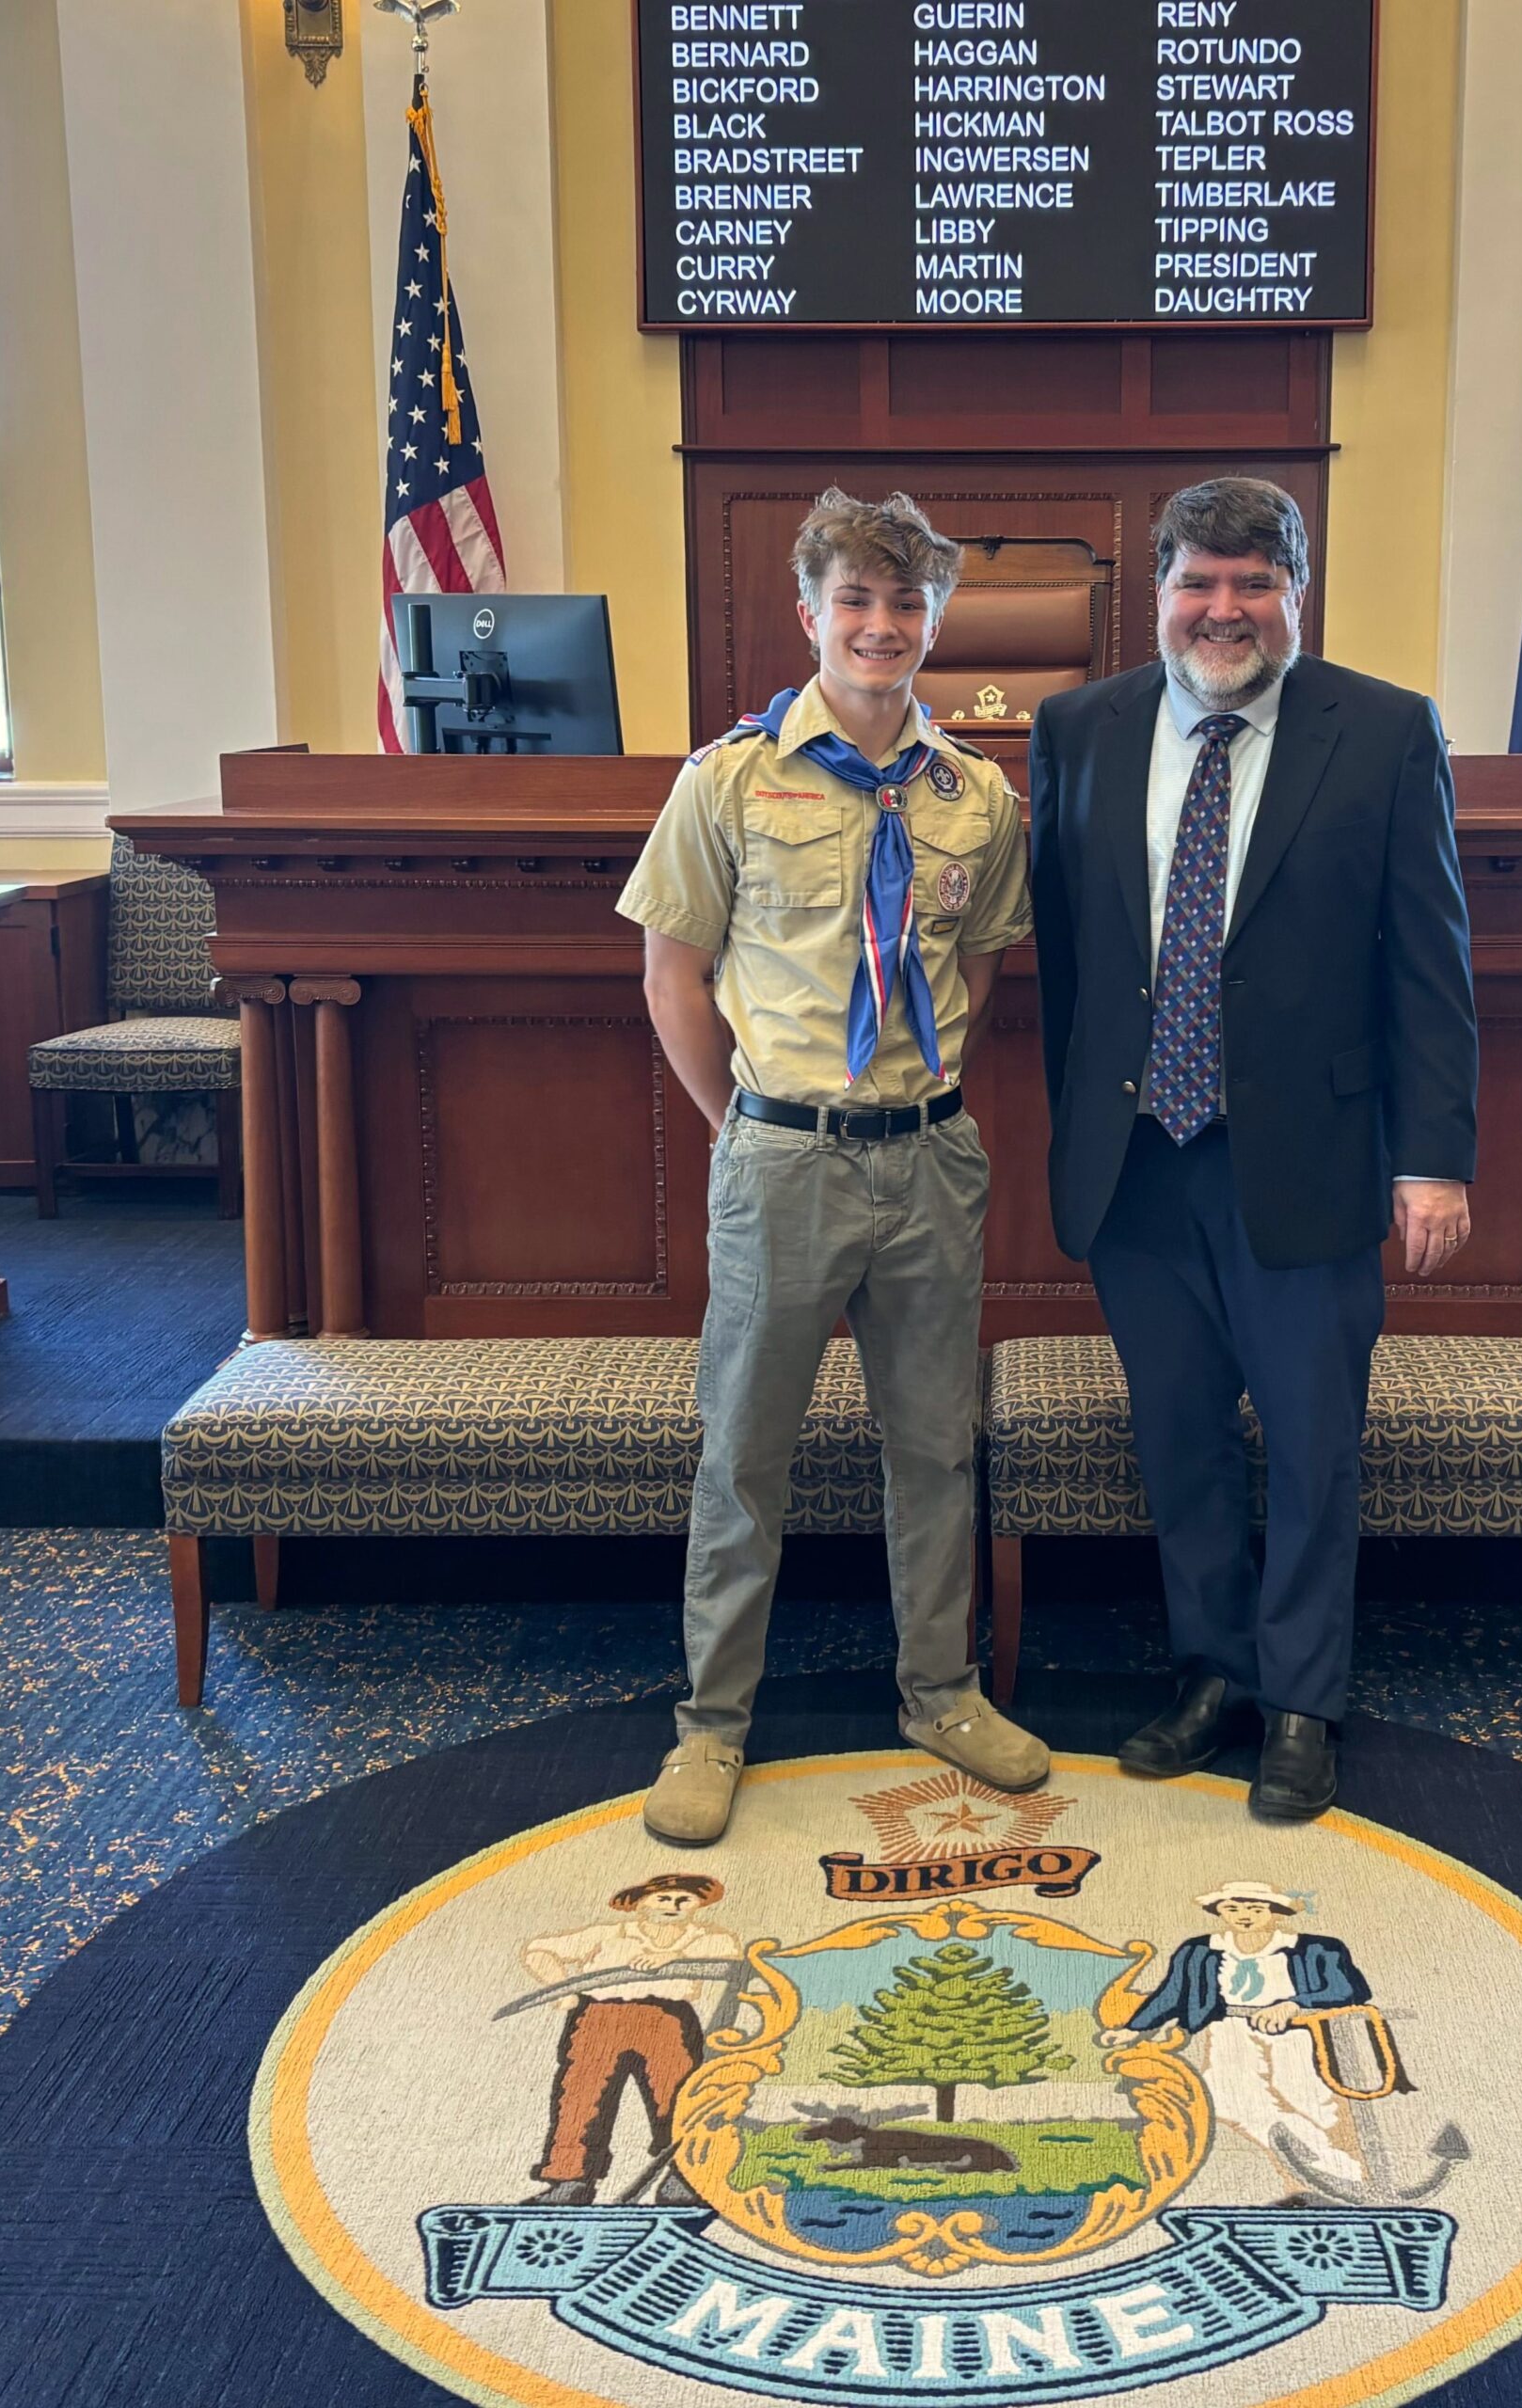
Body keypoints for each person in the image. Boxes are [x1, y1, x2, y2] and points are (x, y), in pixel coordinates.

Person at [1028, 477, 1477, 1821]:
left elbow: (1430, 963)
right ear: (1154, 587)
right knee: (1178, 1442)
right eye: (1195, 580)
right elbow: (1066, 957)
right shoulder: (1078, 727)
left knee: (1311, 1440)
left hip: (1308, 1156)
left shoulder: (1384, 730)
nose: (1221, 608)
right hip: (1135, 1162)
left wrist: (1431, 1157)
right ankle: (1210, 1674)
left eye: (1250, 581)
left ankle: (1301, 1705)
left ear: (1294, 587)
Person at [619, 488, 1050, 1847]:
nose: (880, 626)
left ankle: (939, 1689)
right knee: (743, 1454)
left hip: (926, 1159)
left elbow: (974, 964)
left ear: (933, 622)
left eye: (904, 603)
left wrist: (916, 1092)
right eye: (853, 602)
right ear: (808, 615)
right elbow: (671, 976)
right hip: (784, 1161)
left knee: (932, 1446)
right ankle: (710, 1726)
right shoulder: (729, 780)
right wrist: (738, 1128)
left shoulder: (976, 797)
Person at [1102, 1881, 1374, 2199]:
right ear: (1219, 1911)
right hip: (1229, 2028)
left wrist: (1292, 2005)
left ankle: (1343, 2170)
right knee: (1229, 2097)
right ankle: (1329, 2166)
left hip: (1296, 2031)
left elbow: (1349, 1989)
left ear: (1275, 1912)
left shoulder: (1317, 1948)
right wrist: (1134, 2028)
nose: (1243, 1916)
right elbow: (1173, 1992)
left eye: (1255, 1909)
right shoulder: (1200, 1950)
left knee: (1308, 2097)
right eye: (1232, 1908)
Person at [522, 1873, 744, 2203]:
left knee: (680, 2096)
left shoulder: (704, 1937)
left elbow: (733, 1961)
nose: (673, 1906)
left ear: (697, 1905)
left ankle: (686, 2175)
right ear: (640, 1902)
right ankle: (570, 2180)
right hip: (599, 2017)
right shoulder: (609, 1934)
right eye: (663, 1899)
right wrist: (560, 1990)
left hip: (666, 2018)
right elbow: (538, 1950)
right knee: (581, 2097)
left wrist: (676, 1960)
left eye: (684, 1900)